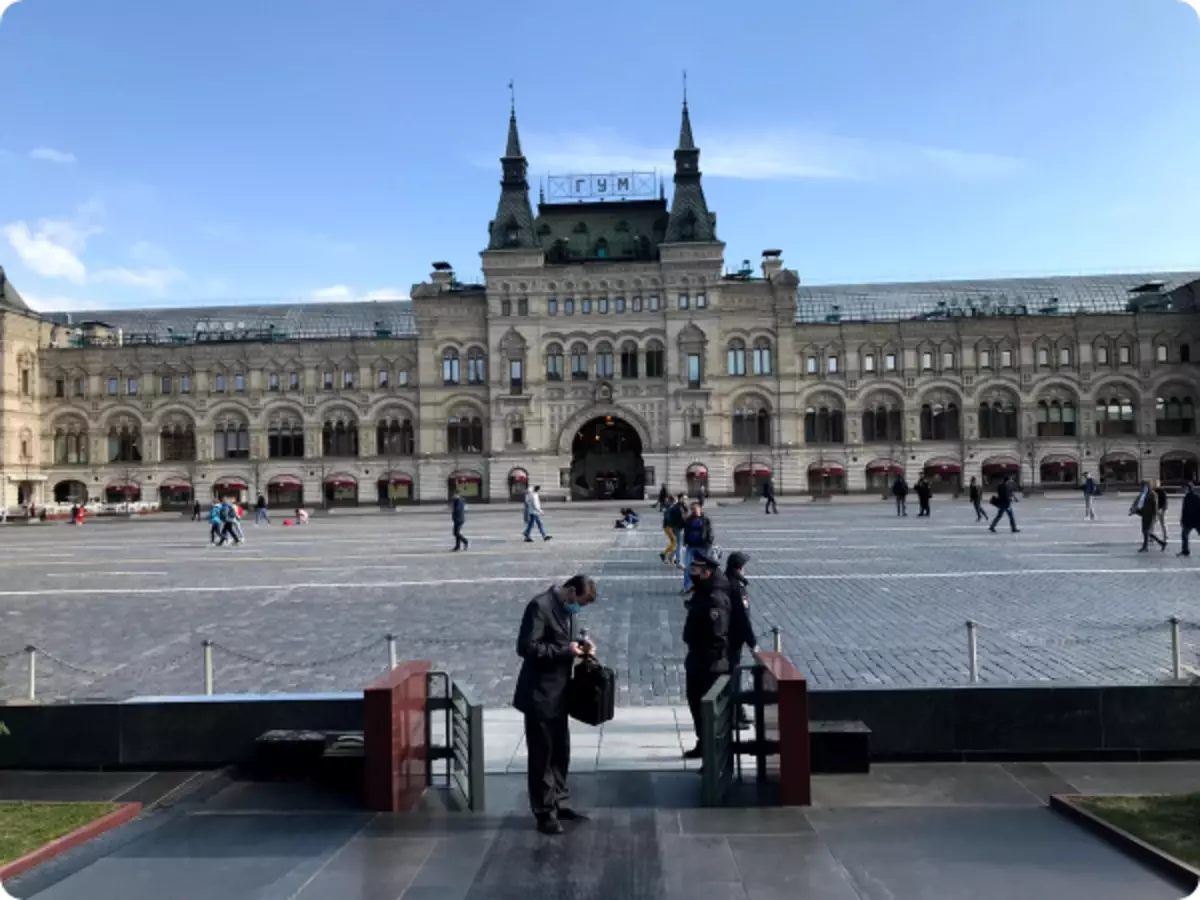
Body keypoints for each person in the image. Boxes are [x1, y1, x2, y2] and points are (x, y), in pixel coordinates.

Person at [512, 574, 597, 835]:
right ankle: (544, 811)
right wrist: (566, 651)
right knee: (542, 754)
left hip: (559, 694)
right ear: (570, 591)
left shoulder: (566, 610)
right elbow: (527, 647)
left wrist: (582, 648)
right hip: (539, 693)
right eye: (578, 602)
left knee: (561, 751)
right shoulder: (540, 606)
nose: (578, 609)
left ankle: (560, 800)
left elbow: (565, 641)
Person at [682, 552, 732, 760]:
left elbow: (717, 634)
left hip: (709, 663)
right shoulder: (703, 592)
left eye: (694, 571)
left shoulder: (713, 599)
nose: (690, 573)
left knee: (708, 710)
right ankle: (703, 744)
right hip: (698, 659)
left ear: (707, 572)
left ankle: (712, 754)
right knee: (696, 705)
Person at [724, 551, 758, 729]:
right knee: (732, 677)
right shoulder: (737, 586)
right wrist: (753, 643)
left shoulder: (725, 581)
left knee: (731, 676)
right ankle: (733, 716)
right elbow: (743, 618)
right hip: (733, 639)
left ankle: (739, 712)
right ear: (739, 568)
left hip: (726, 638)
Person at [680, 501, 715, 593]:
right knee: (687, 567)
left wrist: (709, 543)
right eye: (692, 509)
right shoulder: (689, 520)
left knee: (703, 568)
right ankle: (687, 586)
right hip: (691, 546)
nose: (694, 511)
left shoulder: (706, 520)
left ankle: (703, 587)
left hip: (702, 547)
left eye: (695, 509)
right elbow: (682, 528)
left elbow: (710, 533)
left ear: (700, 509)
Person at [1132, 480, 1166, 552]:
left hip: (1150, 515)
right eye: (1142, 486)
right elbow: (1138, 502)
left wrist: (1155, 515)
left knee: (1146, 531)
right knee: (1146, 531)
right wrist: (1133, 510)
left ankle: (1145, 547)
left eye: (1143, 486)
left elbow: (1155, 506)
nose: (1142, 487)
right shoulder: (1143, 494)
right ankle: (1161, 543)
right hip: (1144, 514)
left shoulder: (1153, 494)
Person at [1178, 479, 1200, 557]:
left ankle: (1185, 550)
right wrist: (1182, 519)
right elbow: (1184, 510)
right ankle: (1185, 551)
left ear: (1189, 488)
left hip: (1196, 520)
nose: (1184, 490)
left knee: (1184, 535)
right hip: (1188, 521)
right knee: (1184, 535)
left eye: (1185, 488)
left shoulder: (1196, 497)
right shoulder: (1186, 497)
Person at [660, 495, 679, 564]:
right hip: (669, 527)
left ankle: (672, 558)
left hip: (667, 527)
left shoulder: (669, 507)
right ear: (673, 501)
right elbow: (668, 518)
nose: (677, 501)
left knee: (673, 542)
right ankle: (664, 554)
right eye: (676, 500)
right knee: (674, 542)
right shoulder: (671, 507)